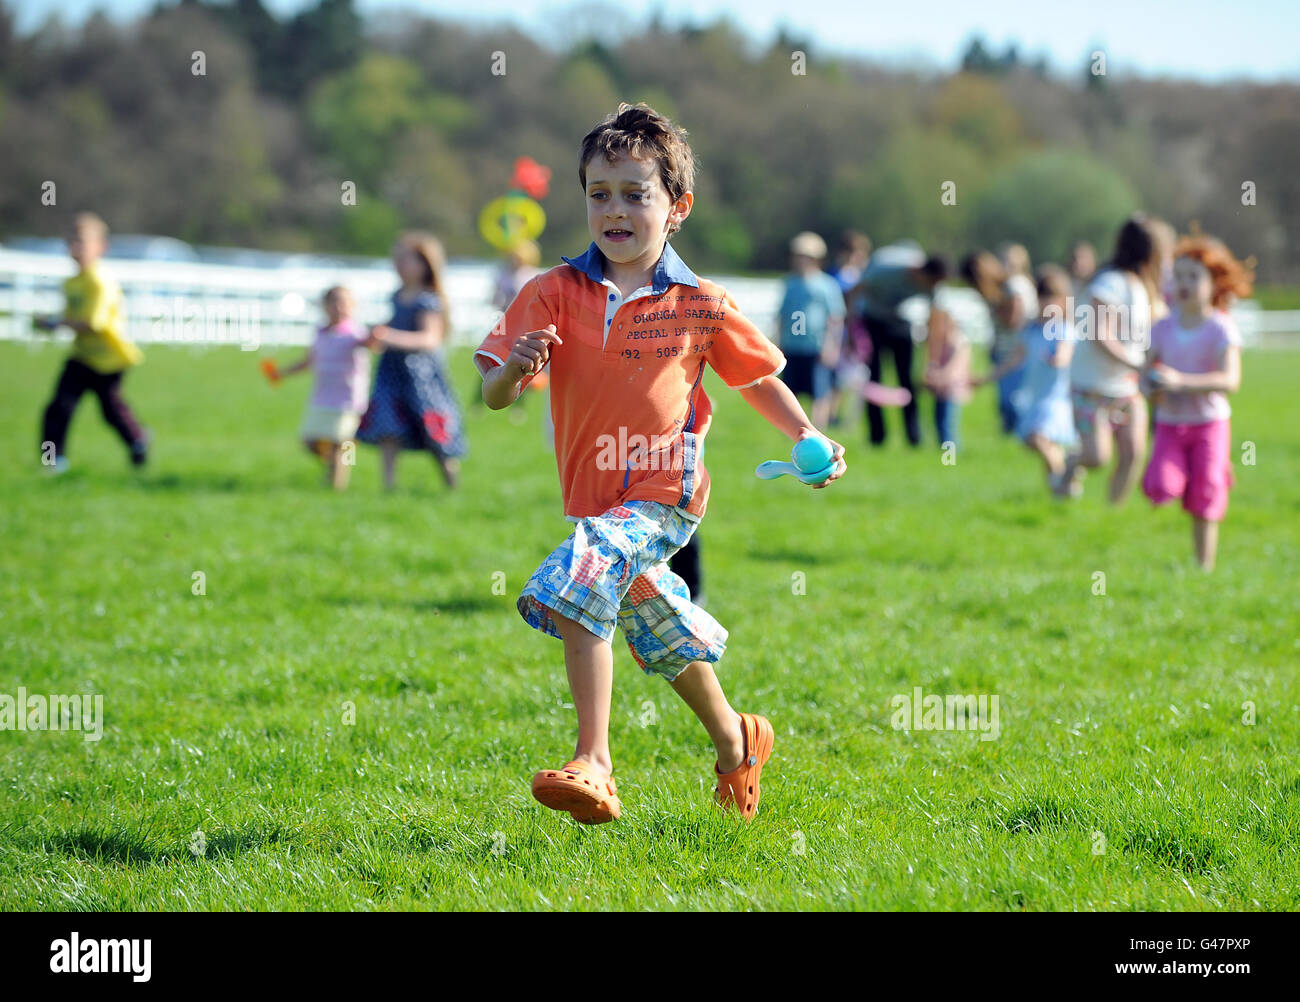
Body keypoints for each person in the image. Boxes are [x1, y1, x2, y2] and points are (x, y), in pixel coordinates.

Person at [474, 102, 846, 825]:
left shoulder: (700, 303)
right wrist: (513, 371)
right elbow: (492, 396)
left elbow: (757, 379)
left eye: (635, 194)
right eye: (599, 194)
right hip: (594, 494)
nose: (614, 210)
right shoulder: (550, 293)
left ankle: (595, 762)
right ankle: (739, 741)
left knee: (583, 573)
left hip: (664, 491)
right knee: (659, 630)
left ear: (677, 208)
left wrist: (808, 434)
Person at [1141, 235, 1252, 571]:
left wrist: (1182, 382)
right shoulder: (1161, 328)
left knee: (1205, 497)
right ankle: (1201, 473)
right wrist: (1152, 388)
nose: (1184, 284)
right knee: (1160, 487)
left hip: (1209, 424)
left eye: (1194, 276)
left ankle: (1203, 567)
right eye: (1180, 276)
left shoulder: (1221, 329)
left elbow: (1231, 380)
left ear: (1214, 283)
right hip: (1169, 423)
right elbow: (1147, 375)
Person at [1055, 213, 1172, 502]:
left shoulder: (1143, 288)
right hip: (1091, 385)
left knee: (1133, 453)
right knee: (1097, 457)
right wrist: (1138, 364)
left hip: (1127, 386)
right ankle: (1072, 463)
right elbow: (1099, 334)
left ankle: (1112, 515)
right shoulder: (1110, 283)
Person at [35, 212, 149, 473]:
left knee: (111, 411)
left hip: (109, 358)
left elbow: (92, 323)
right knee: (59, 407)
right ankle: (53, 461)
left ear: (101, 247)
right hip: (82, 356)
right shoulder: (72, 282)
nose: (75, 248)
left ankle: (138, 441)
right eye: (71, 241)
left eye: (81, 242)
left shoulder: (100, 281)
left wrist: (56, 324)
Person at [356, 232, 466, 491]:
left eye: (406, 260)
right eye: (397, 260)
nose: (399, 265)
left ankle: (451, 482)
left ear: (425, 264)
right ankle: (389, 485)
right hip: (392, 373)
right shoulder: (396, 296)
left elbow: (429, 339)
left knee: (434, 427)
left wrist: (389, 336)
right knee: (388, 425)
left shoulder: (428, 300)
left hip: (421, 377)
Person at [978, 265, 1077, 492]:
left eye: (1051, 298)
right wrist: (986, 378)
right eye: (1042, 297)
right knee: (1040, 445)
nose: (1046, 303)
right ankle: (1059, 488)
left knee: (1037, 439)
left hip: (1056, 397)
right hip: (1034, 395)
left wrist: (1057, 360)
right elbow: (1014, 360)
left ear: (1063, 301)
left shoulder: (1064, 328)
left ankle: (1064, 480)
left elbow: (1065, 353)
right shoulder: (1031, 330)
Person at [272, 286, 372, 490]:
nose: (339, 307)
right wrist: (283, 373)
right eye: (333, 302)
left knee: (341, 442)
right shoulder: (320, 333)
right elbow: (310, 360)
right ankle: (339, 465)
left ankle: (337, 487)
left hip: (348, 398)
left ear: (353, 306)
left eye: (344, 302)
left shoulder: (356, 333)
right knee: (310, 441)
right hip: (322, 397)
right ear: (324, 306)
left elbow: (371, 345)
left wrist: (377, 338)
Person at [849, 248, 949, 446]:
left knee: (907, 380)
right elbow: (853, 293)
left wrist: (933, 362)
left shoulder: (933, 285)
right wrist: (853, 331)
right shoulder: (886, 271)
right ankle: (877, 437)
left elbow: (936, 322)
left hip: (901, 323)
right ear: (920, 272)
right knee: (874, 379)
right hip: (873, 320)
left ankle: (914, 437)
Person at [777, 231, 845, 430]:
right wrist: (779, 343)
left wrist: (831, 346)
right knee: (790, 392)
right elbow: (782, 314)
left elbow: (835, 318)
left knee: (820, 392)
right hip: (792, 345)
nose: (800, 261)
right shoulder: (789, 283)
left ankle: (817, 430)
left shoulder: (826, 285)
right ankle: (793, 429)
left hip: (816, 346)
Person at [826, 230, 872, 427]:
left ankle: (844, 417)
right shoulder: (832, 276)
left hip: (856, 332)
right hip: (837, 331)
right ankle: (831, 415)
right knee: (833, 377)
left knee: (852, 379)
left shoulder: (861, 276)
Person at [920, 303, 970, 451]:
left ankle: (951, 452)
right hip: (941, 388)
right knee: (939, 420)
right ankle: (945, 449)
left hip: (952, 388)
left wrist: (939, 377)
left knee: (948, 422)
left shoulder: (958, 341)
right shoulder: (941, 341)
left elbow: (955, 367)